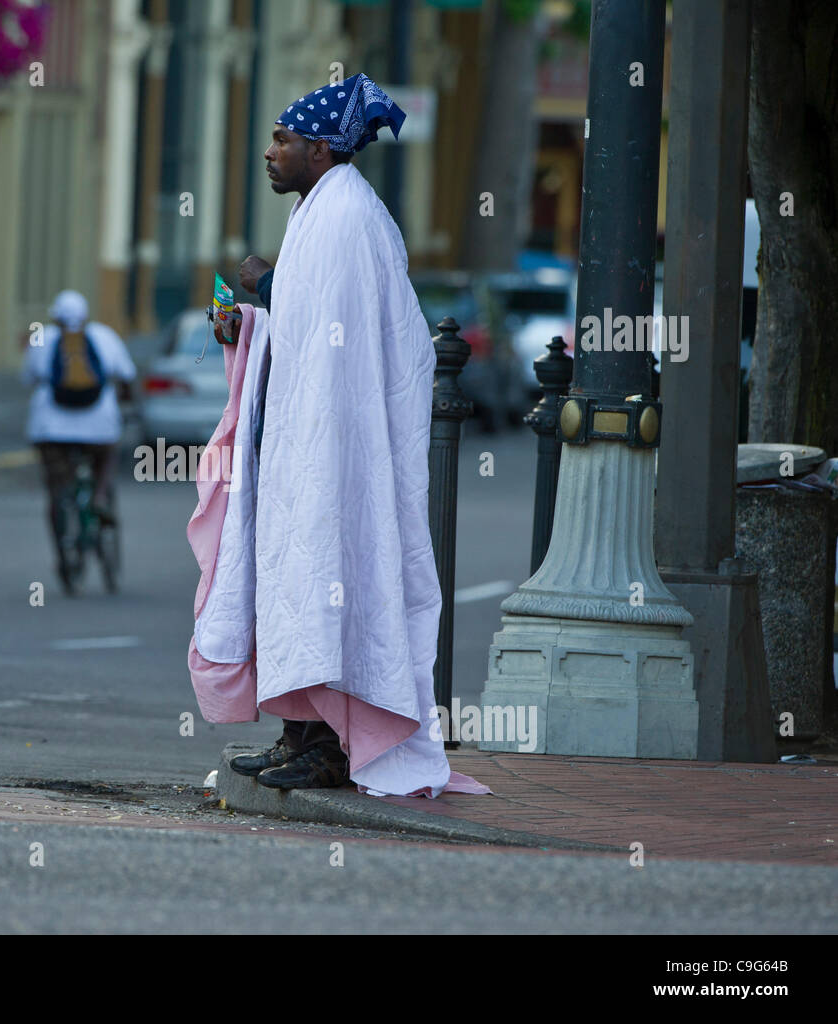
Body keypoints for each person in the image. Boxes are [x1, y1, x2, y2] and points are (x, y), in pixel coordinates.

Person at [189, 74, 488, 798]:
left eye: (282, 140)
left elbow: (343, 347)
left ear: (322, 149)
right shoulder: (321, 208)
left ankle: (331, 747)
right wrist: (251, 322)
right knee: (292, 584)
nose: (269, 152)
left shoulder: (347, 215)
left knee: (328, 584)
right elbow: (307, 336)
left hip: (335, 450)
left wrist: (264, 289)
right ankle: (300, 732)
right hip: (303, 441)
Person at [21, 289, 136, 592]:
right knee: (107, 454)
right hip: (98, 423)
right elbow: (126, 375)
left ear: (55, 316)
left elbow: (28, 377)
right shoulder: (104, 335)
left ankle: (63, 538)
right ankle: (99, 496)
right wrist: (125, 402)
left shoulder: (41, 337)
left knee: (57, 487)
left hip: (51, 427)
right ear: (85, 315)